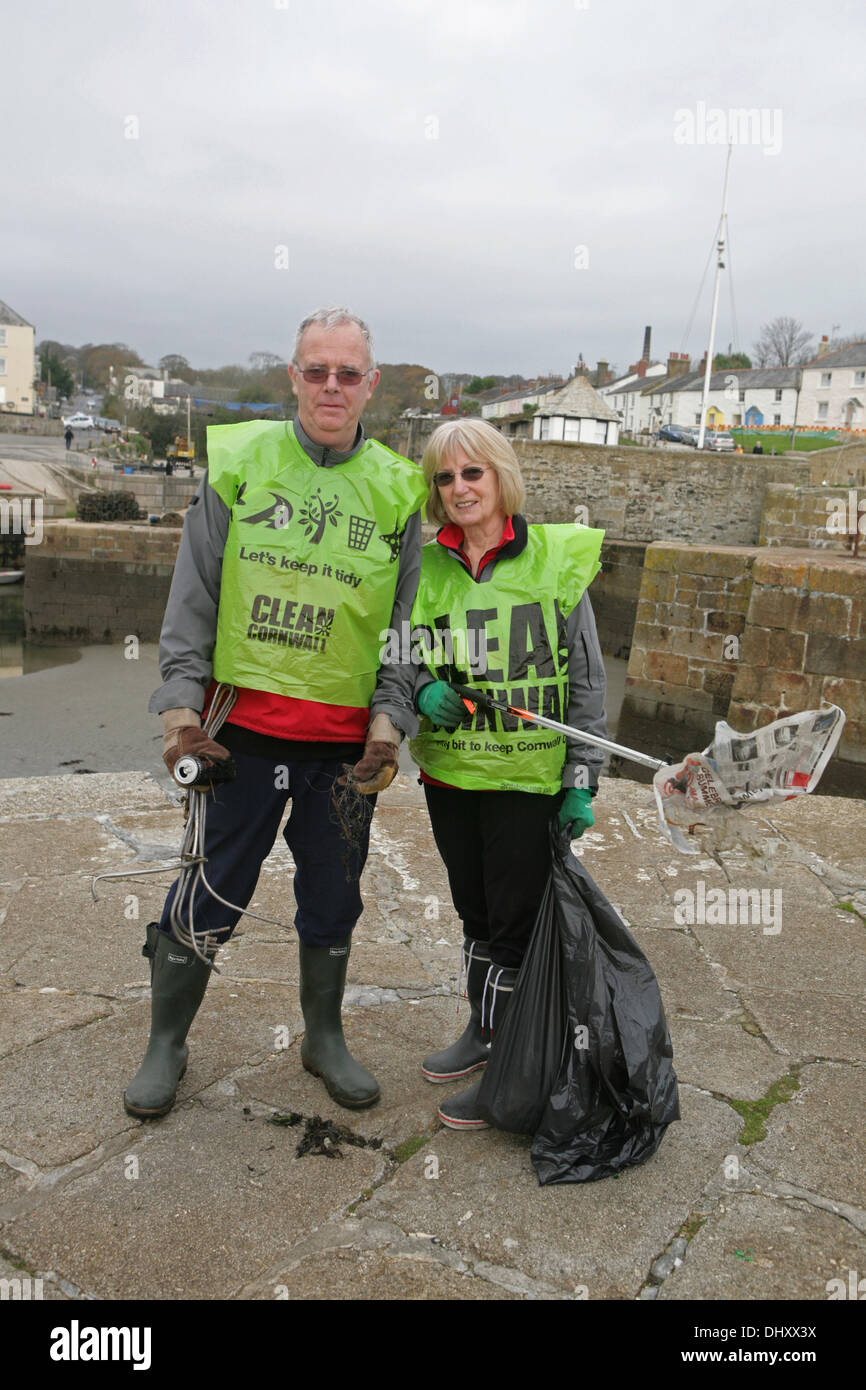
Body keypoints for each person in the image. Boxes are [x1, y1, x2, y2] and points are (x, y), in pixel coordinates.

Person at [124, 307, 427, 1119]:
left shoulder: (402, 493)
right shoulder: (238, 465)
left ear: (372, 384)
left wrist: (388, 729)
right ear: (294, 377)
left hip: (341, 754)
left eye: (349, 373)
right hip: (240, 740)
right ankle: (167, 1041)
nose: (333, 386)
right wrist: (179, 720)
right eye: (317, 370)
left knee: (334, 897)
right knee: (209, 888)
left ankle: (322, 1037)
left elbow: (407, 630)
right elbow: (190, 606)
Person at [404, 419, 607, 1130]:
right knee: (477, 913)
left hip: (527, 782)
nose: (458, 488)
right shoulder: (423, 569)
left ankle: (513, 1076)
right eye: (443, 477)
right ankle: (486, 1032)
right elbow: (401, 660)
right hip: (453, 779)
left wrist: (582, 779)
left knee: (517, 924)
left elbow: (586, 682)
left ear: (499, 476)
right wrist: (423, 689)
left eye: (472, 473)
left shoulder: (555, 560)